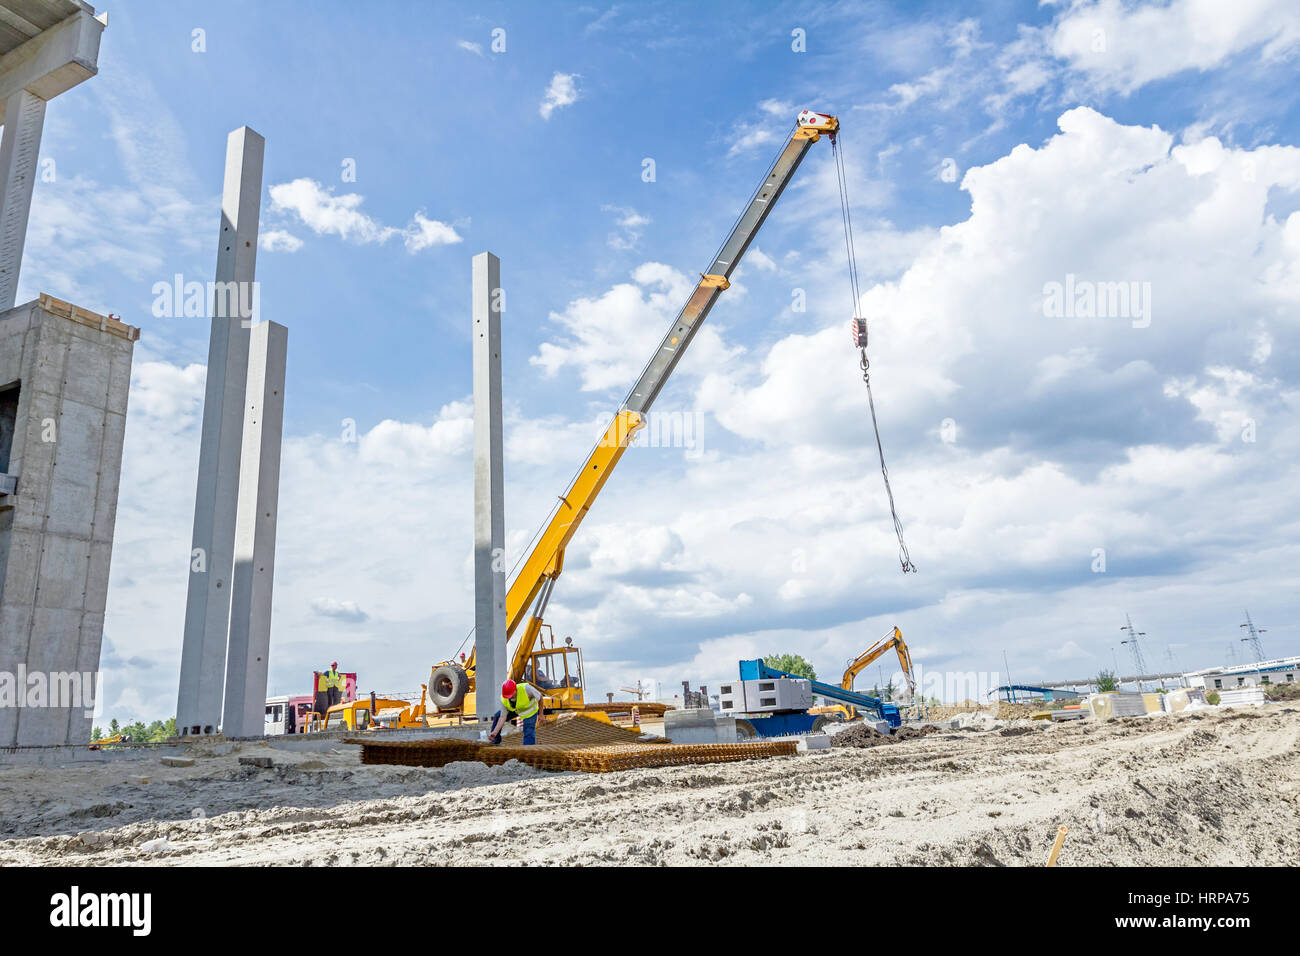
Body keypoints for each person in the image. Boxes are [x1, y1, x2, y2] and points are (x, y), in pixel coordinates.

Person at [488, 679, 541, 746]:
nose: (510, 697)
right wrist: (495, 732)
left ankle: (528, 749)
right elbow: (502, 717)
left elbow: (540, 697)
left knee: (528, 730)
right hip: (516, 709)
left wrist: (541, 714)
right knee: (498, 715)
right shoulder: (504, 698)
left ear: (515, 689)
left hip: (529, 711)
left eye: (511, 694)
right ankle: (495, 740)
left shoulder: (527, 689)